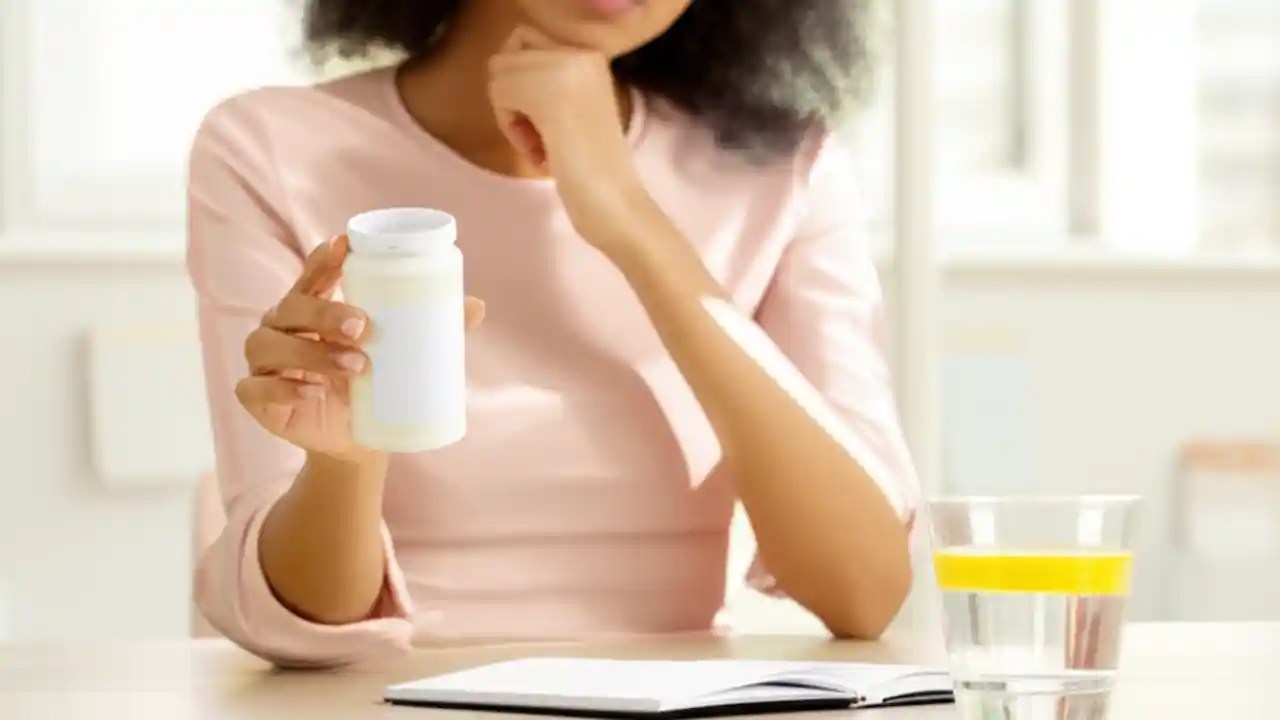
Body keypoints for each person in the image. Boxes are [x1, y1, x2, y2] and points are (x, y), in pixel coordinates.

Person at [188, 0, 919, 669]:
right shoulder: (272, 151)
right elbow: (305, 619)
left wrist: (626, 216)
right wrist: (345, 464)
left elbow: (865, 591)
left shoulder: (782, 166)